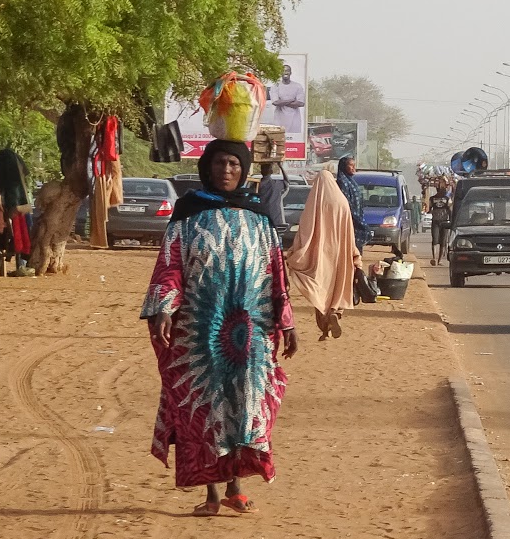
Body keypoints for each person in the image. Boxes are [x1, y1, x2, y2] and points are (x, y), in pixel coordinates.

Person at [142, 140, 298, 517]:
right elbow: (171, 265)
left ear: (243, 170)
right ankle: (212, 494)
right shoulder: (188, 213)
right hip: (198, 331)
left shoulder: (259, 216)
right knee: (205, 406)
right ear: (206, 168)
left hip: (251, 329)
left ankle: (236, 487)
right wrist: (163, 308)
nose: (226, 170)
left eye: (233, 164)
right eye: (218, 163)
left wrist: (287, 321)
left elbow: (276, 273)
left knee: (245, 404)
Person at [286, 169, 360, 340]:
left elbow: (305, 229)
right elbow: (350, 232)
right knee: (337, 288)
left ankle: (324, 329)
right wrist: (355, 256)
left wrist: (295, 251)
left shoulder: (316, 201)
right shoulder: (342, 202)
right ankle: (335, 313)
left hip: (319, 254)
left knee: (320, 289)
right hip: (340, 254)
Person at [337, 156, 371, 251]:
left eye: (354, 165)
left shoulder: (351, 182)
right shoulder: (342, 182)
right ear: (344, 167)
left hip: (356, 218)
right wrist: (357, 219)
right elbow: (346, 203)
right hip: (349, 220)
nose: (353, 168)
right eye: (351, 165)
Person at [268, 65, 306, 135]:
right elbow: (275, 102)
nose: (285, 72)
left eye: (287, 71)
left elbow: (301, 103)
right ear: (280, 73)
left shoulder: (297, 86)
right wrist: (292, 100)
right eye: (283, 70)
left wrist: (282, 101)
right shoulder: (275, 86)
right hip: (279, 121)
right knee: (279, 139)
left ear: (290, 73)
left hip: (294, 121)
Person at [256, 160, 287, 230]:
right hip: (274, 219)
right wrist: (281, 167)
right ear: (271, 171)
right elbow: (287, 182)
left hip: (261, 219)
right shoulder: (276, 184)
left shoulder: (256, 185)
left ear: (261, 171)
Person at [429, 186, 453, 266]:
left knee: (438, 241)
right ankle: (436, 259)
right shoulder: (446, 199)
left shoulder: (432, 199)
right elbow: (450, 210)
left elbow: (429, 209)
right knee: (440, 241)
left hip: (439, 221)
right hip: (442, 221)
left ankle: (436, 259)